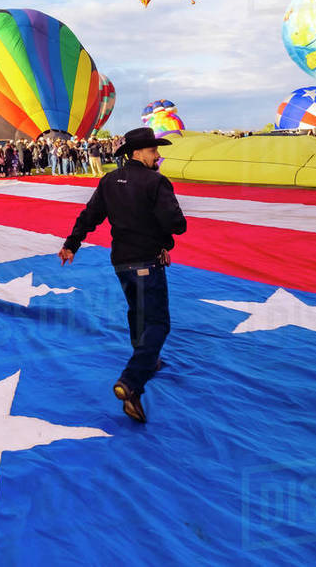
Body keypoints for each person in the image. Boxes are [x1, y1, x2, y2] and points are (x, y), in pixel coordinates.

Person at [58, 126, 188, 424]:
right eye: (154, 150)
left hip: (121, 262)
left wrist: (71, 244)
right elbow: (176, 224)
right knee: (158, 322)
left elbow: (89, 216)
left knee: (137, 311)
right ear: (138, 153)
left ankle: (146, 358)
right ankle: (131, 381)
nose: (158, 155)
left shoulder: (109, 180)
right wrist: (166, 239)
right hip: (146, 261)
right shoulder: (156, 182)